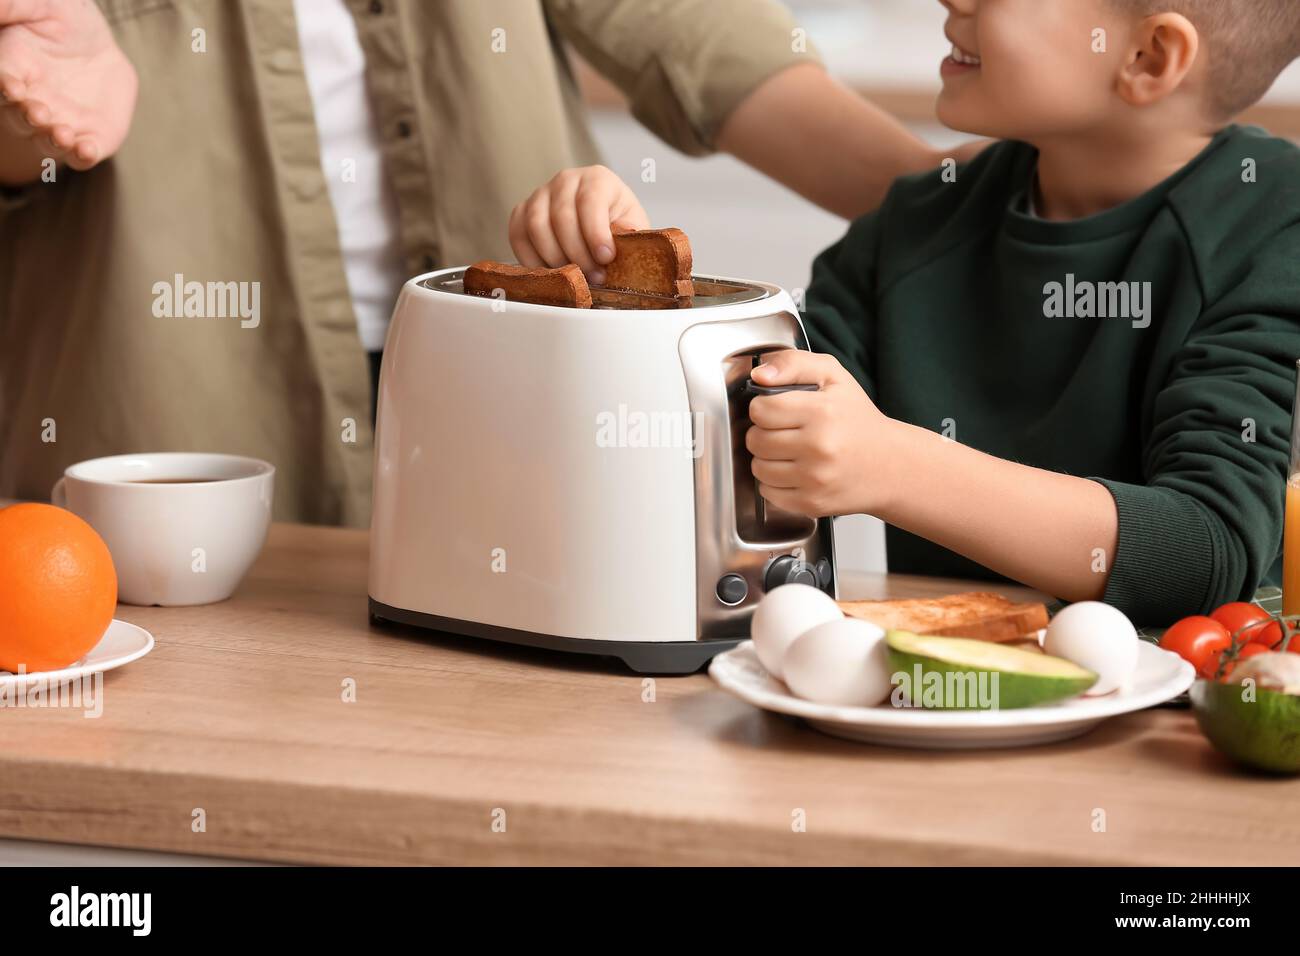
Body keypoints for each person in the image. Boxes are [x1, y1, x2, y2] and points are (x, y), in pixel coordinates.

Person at [0, 0, 964, 525]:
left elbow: (702, 41)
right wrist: (30, 109)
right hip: (174, 407)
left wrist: (973, 197)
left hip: (507, 391)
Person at [519, 0, 1300, 624]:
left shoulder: (1267, 222)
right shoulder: (924, 222)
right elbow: (743, 421)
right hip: (937, 716)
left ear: (1149, 57)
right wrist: (615, 279)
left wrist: (895, 466)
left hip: (1171, 737)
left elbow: (1206, 552)